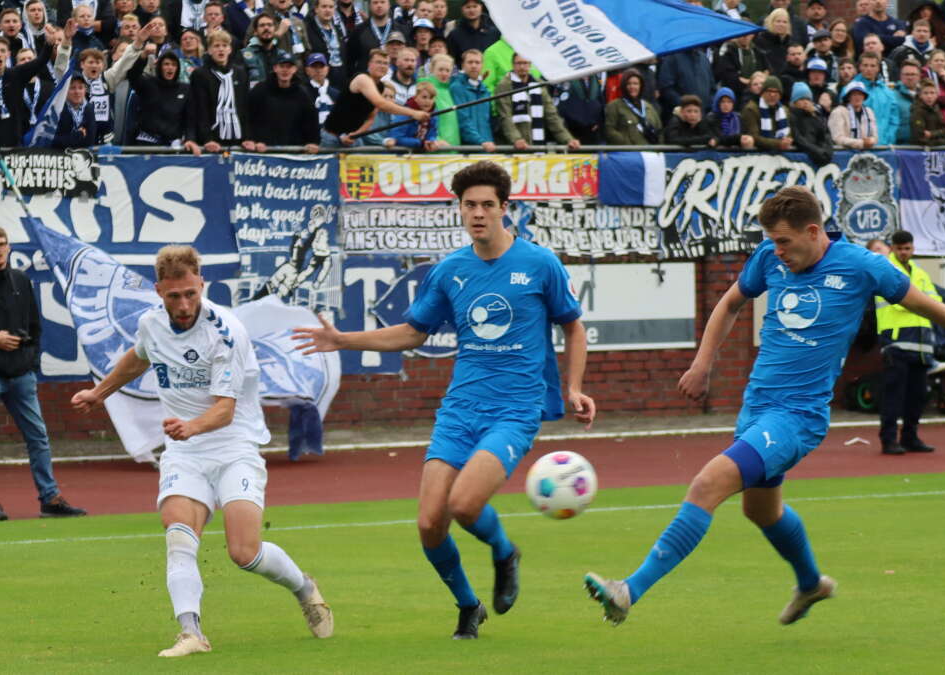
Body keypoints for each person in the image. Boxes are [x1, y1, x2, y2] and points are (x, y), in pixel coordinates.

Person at [581, 187, 945, 626]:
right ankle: (811, 584)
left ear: (813, 231)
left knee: (708, 484)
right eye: (772, 241)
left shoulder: (863, 266)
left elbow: (927, 305)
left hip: (798, 416)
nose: (777, 250)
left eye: (784, 241)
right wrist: (703, 363)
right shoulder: (769, 258)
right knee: (761, 510)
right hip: (757, 409)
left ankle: (629, 589)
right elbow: (730, 303)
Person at [294, 160, 595, 639]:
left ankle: (504, 552)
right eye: (470, 205)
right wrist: (343, 340)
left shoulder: (540, 264)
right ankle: (468, 605)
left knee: (466, 504)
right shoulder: (450, 271)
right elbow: (412, 333)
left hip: (516, 409)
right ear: (460, 209)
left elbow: (573, 327)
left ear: (505, 210)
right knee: (430, 523)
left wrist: (575, 387)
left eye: (487, 205)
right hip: (460, 409)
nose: (478, 213)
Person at [70, 245, 333, 657]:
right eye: (174, 295)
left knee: (243, 552)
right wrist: (100, 392)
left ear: (202, 286)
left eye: (191, 293)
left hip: (233, 446)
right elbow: (138, 357)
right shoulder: (152, 323)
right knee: (179, 538)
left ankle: (304, 587)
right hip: (184, 453)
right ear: (159, 291)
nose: (184, 303)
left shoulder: (225, 331)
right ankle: (191, 633)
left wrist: (190, 426)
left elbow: (225, 410)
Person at [0, 226, 88, 523]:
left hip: (21, 373)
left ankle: (50, 498)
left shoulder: (21, 281)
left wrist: (30, 359)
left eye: (1, 244)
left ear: (8, 248)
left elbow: (35, 327)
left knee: (38, 436)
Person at [875, 229, 942, 456]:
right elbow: (897, 303)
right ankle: (889, 439)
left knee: (917, 396)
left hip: (922, 345)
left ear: (912, 249)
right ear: (892, 248)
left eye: (907, 248)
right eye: (900, 248)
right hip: (896, 342)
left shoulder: (920, 274)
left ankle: (911, 436)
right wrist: (920, 302)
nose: (904, 252)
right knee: (894, 395)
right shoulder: (885, 270)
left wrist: (920, 302)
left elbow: (936, 301)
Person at [321, 48, 427, 147]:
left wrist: (355, 134)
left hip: (351, 139)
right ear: (369, 64)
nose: (382, 66)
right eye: (378, 62)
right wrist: (413, 113)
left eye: (385, 63)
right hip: (331, 137)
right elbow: (380, 103)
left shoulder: (380, 87)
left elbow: (370, 118)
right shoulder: (362, 78)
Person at [0, 36, 56, 147]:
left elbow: (40, 62)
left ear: (8, 54)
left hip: (13, 139)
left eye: (2, 51)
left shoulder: (17, 74)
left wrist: (48, 44)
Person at [184, 30, 256, 155]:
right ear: (209, 50)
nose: (221, 49)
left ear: (230, 49)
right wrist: (207, 139)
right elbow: (199, 109)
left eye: (224, 46)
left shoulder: (241, 73)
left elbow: (245, 107)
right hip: (212, 141)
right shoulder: (200, 74)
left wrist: (248, 137)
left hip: (238, 141)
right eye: (216, 46)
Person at [495, 53, 580, 150]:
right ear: (513, 65)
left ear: (530, 65)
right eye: (518, 63)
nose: (522, 67)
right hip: (513, 146)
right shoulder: (504, 86)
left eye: (525, 63)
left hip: (538, 142)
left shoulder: (538, 84)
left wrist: (567, 139)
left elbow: (551, 116)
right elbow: (505, 117)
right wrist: (516, 139)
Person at [127, 47, 190, 146]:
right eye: (166, 64)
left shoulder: (185, 89)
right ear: (159, 66)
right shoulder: (148, 83)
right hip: (146, 143)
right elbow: (132, 75)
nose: (170, 68)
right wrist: (143, 56)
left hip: (173, 145)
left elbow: (188, 118)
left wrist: (188, 139)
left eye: (174, 65)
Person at [450, 48, 495, 151]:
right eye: (470, 62)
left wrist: (488, 142)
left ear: (482, 65)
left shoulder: (485, 91)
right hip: (468, 147)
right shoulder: (456, 88)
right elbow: (462, 120)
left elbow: (488, 122)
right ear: (463, 65)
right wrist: (481, 141)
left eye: (477, 62)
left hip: (487, 146)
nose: (474, 65)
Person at [605, 68, 662, 145]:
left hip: (650, 153)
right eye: (628, 83)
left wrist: (658, 147)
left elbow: (659, 130)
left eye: (635, 84)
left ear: (641, 86)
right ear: (623, 85)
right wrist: (629, 145)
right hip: (628, 153)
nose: (632, 87)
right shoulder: (614, 106)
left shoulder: (649, 107)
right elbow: (609, 130)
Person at [852, 52, 898, 145]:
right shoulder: (850, 89)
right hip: (858, 146)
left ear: (878, 68)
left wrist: (888, 139)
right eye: (865, 65)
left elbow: (894, 119)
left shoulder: (887, 92)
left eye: (873, 66)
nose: (869, 69)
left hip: (884, 145)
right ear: (860, 67)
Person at [388, 78, 443, 151]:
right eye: (424, 97)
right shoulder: (405, 113)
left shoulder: (434, 115)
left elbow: (433, 133)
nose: (427, 101)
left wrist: (431, 141)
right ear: (415, 97)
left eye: (431, 98)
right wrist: (420, 143)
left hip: (419, 156)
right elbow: (396, 137)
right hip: (399, 156)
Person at [740, 75, 793, 152]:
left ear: (780, 95)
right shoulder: (751, 109)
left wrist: (787, 141)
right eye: (769, 91)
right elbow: (754, 136)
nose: (772, 95)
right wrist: (778, 143)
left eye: (776, 92)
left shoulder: (784, 111)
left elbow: (788, 132)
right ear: (762, 93)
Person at [715, 32, 768, 101]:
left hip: (759, 96)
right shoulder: (729, 52)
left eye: (747, 34)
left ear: (752, 35)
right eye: (742, 34)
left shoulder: (758, 52)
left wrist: (755, 82)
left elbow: (767, 70)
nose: (745, 37)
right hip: (735, 96)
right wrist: (752, 82)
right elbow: (730, 77)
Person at [419, 52, 457, 146]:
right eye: (440, 70)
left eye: (448, 70)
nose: (444, 73)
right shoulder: (425, 88)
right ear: (432, 70)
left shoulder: (449, 90)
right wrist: (436, 139)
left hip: (452, 148)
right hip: (434, 148)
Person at [789, 82, 832, 164]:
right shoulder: (792, 117)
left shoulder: (817, 116)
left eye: (808, 99)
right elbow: (798, 139)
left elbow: (826, 135)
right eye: (801, 99)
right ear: (794, 102)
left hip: (820, 156)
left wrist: (828, 151)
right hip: (802, 160)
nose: (805, 102)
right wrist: (817, 151)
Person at [50, 74, 96, 148]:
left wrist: (68, 139)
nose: (77, 92)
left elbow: (90, 140)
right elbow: (53, 141)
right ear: (65, 90)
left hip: (82, 155)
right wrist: (78, 135)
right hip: (60, 156)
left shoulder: (89, 109)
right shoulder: (57, 109)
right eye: (72, 88)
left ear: (85, 90)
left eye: (80, 88)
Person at [828, 80, 875, 149]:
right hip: (842, 154)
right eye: (854, 94)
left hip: (865, 152)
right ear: (848, 97)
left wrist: (871, 141)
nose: (857, 97)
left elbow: (874, 136)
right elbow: (837, 138)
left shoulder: (869, 112)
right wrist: (861, 143)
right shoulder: (838, 112)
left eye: (860, 94)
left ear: (864, 97)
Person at [446, 0, 496, 64]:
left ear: (481, 7)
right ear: (462, 9)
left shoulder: (493, 33)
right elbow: (450, 60)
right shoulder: (455, 35)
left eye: (475, 6)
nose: (471, 10)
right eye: (468, 7)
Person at [303, 52, 340, 127]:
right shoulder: (302, 93)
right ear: (307, 70)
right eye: (314, 67)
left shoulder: (336, 94)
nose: (318, 70)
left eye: (321, 66)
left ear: (327, 69)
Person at [910, 78, 945, 146]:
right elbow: (920, 137)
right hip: (921, 151)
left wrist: (931, 134)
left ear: (936, 95)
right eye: (926, 93)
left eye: (932, 93)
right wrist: (941, 141)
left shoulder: (937, 109)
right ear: (920, 95)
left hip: (937, 149)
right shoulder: (917, 111)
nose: (929, 96)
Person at [892, 60, 921, 143]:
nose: (910, 77)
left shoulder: (925, 95)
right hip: (899, 145)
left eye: (913, 74)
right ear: (901, 76)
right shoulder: (892, 95)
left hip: (922, 146)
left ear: (919, 76)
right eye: (907, 74)